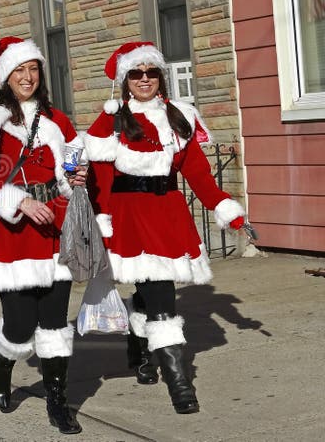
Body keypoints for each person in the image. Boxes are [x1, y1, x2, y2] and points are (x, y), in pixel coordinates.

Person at [84, 41, 247, 415]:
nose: (145, 79)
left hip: (168, 212)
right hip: (128, 215)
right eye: (137, 73)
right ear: (125, 79)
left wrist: (227, 210)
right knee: (159, 294)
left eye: (152, 72)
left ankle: (141, 347)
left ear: (161, 76)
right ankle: (179, 383)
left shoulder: (179, 116)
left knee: (154, 290)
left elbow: (199, 175)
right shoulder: (111, 120)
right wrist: (102, 220)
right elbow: (101, 180)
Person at [0, 37, 87, 435]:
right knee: (21, 326)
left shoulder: (56, 118)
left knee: (56, 324)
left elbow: (74, 157)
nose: (27, 77)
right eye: (19, 70)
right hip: (14, 233)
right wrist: (20, 202)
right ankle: (3, 363)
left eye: (33, 69)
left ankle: (58, 401)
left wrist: (75, 173)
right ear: (6, 76)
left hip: (56, 228)